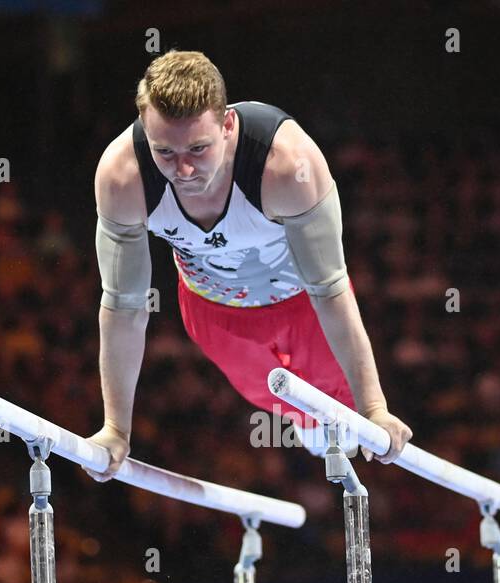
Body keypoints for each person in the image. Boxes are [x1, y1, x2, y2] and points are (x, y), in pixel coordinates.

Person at [87, 49, 412, 479]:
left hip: (304, 306)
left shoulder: (286, 164)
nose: (183, 169)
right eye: (164, 152)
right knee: (270, 399)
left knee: (339, 405)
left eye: (198, 149)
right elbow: (124, 307)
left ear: (227, 124)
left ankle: (323, 422)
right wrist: (116, 429)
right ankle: (305, 420)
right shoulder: (122, 177)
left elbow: (329, 289)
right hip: (214, 313)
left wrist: (375, 407)